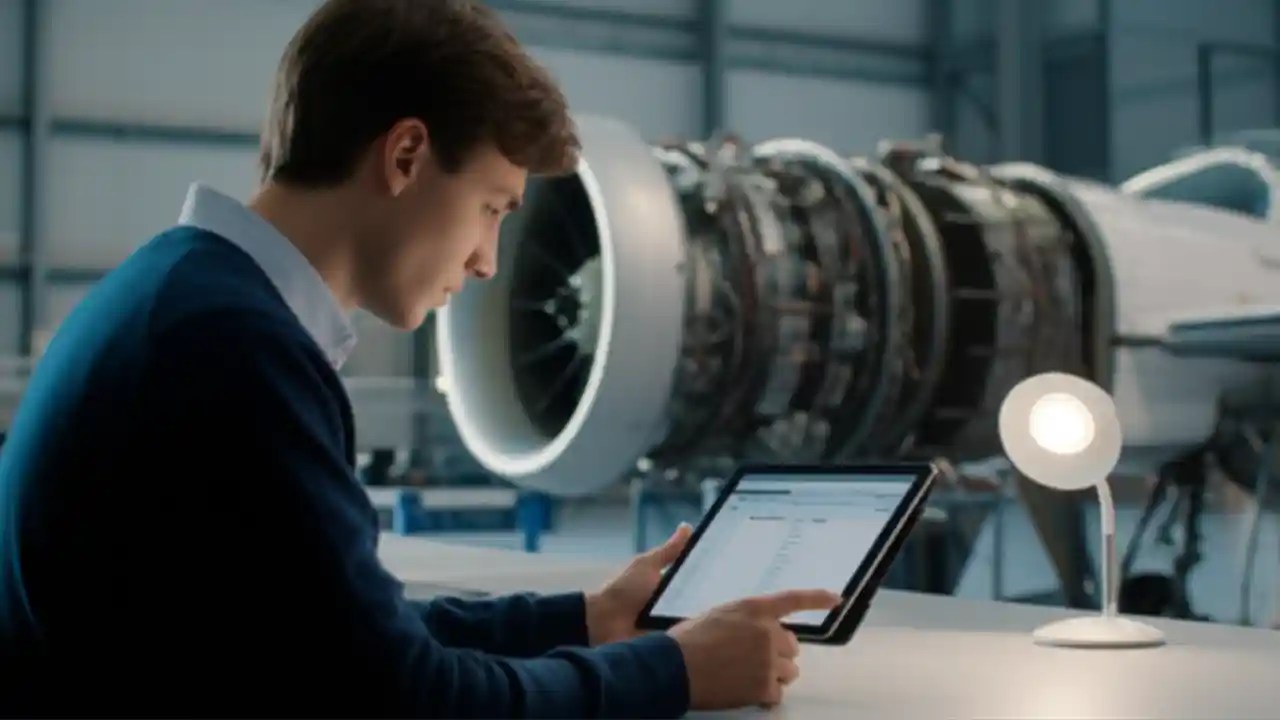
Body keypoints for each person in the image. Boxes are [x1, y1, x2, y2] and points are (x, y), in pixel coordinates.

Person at [0, 0, 839, 716]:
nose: (488, 262)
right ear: (405, 157)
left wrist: (586, 619)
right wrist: (674, 672)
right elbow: (411, 699)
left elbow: (346, 636)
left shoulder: (179, 295)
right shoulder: (233, 350)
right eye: (492, 208)